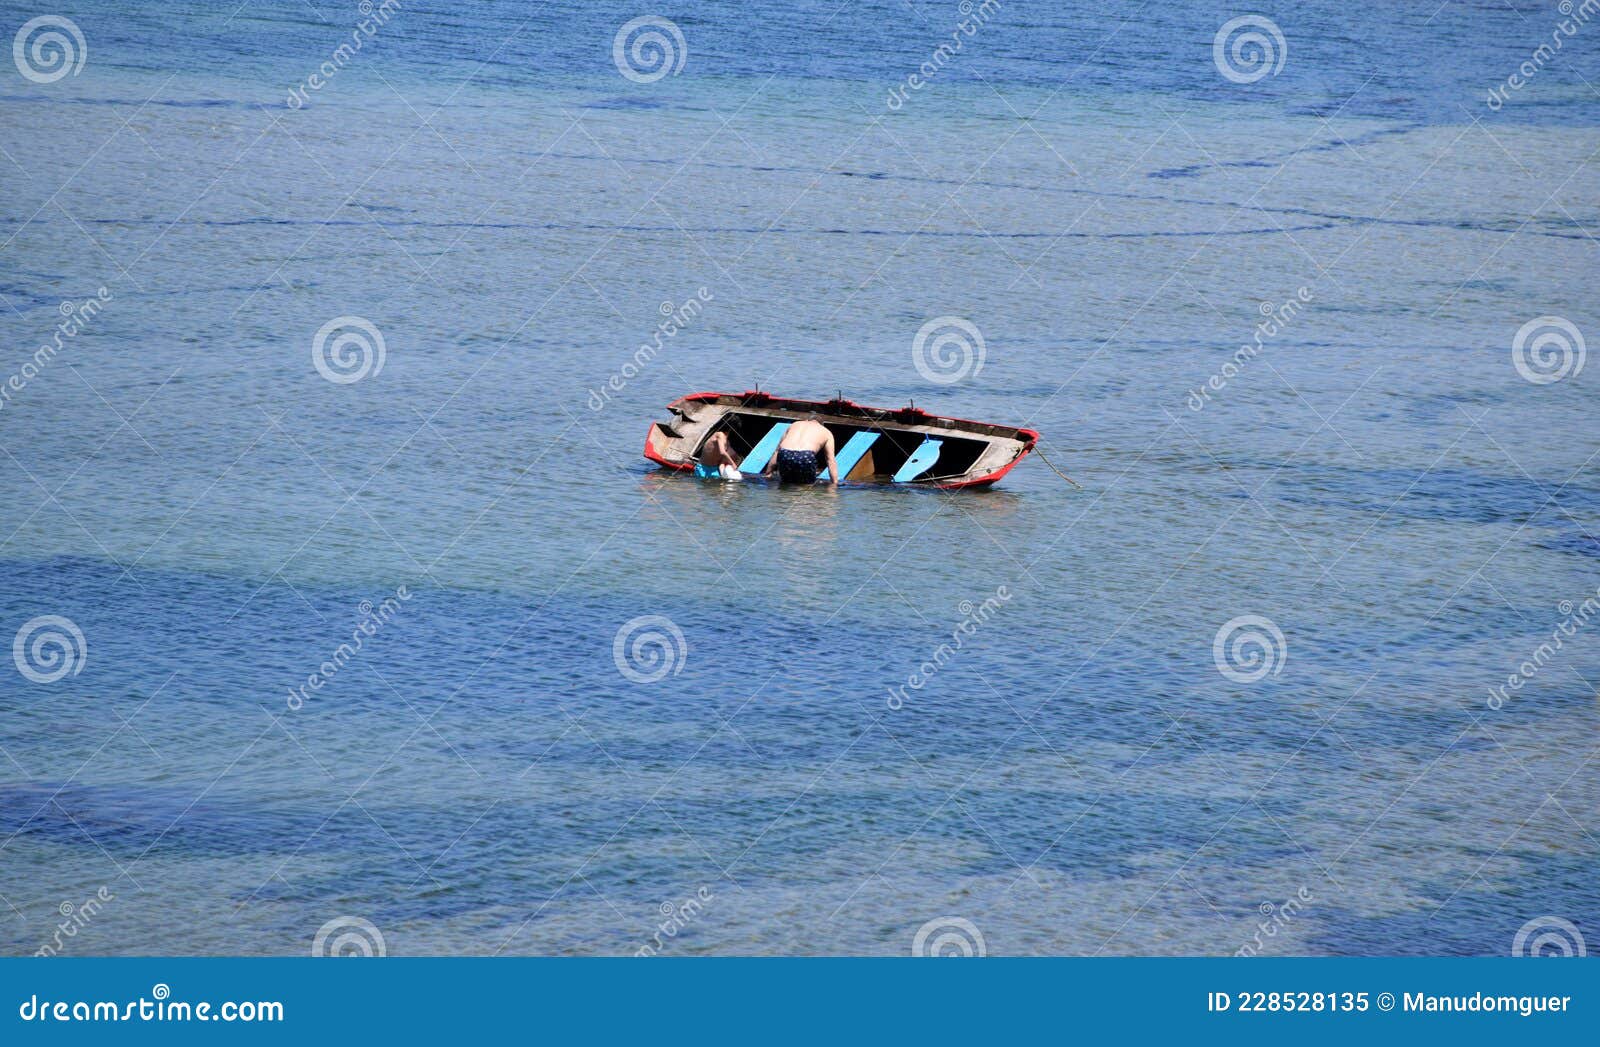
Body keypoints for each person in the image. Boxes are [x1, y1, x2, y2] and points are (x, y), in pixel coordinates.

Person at [764, 417, 839, 486]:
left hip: (785, 453)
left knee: (785, 485)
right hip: (805, 455)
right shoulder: (826, 431)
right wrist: (835, 482)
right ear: (821, 425)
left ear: (806, 420)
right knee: (805, 487)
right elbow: (830, 460)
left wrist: (768, 473)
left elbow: (777, 451)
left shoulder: (794, 424)